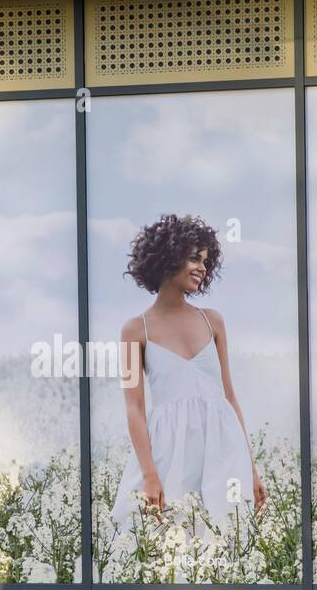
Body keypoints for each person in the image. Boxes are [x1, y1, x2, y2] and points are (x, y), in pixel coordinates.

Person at [109, 213, 266, 542]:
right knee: (164, 546)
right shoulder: (133, 330)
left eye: (206, 262)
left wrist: (250, 469)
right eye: (194, 258)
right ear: (168, 257)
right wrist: (150, 475)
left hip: (222, 450)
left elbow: (229, 397)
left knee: (224, 543)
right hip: (169, 451)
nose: (202, 268)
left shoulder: (213, 321)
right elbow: (134, 409)